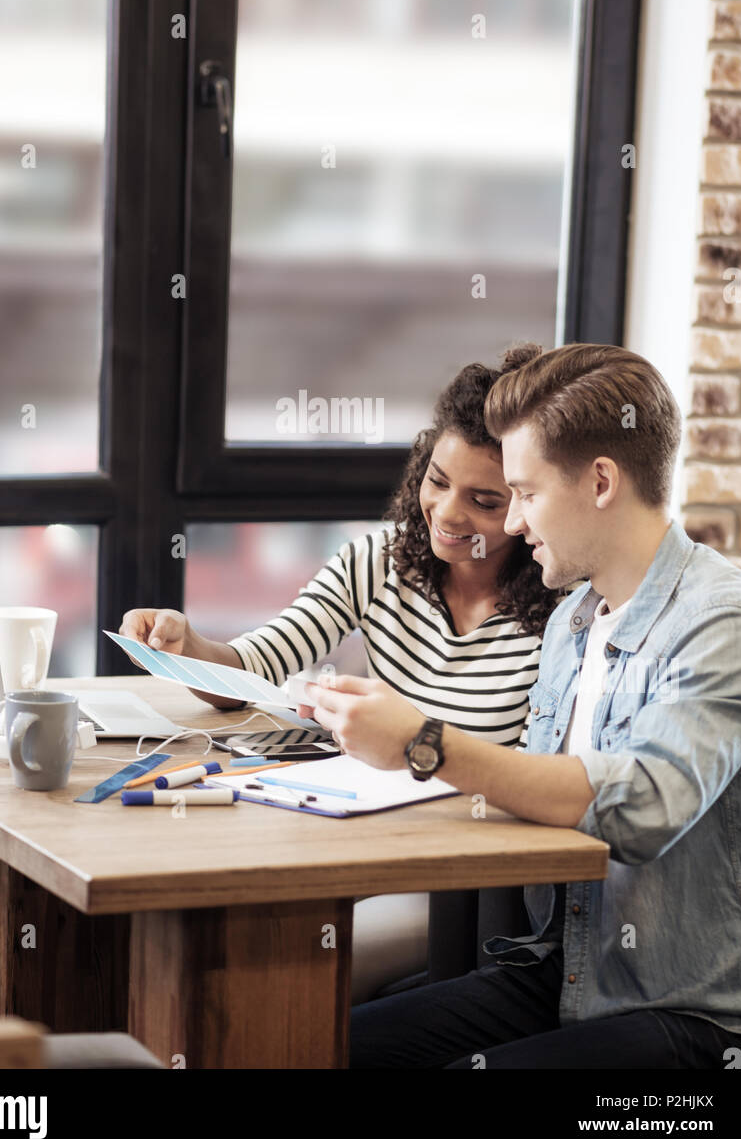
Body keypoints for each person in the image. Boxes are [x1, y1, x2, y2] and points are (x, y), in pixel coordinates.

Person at [296, 342, 741, 1068]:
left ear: (600, 481)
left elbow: (642, 807)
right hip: (566, 973)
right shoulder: (570, 624)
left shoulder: (722, 622)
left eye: (525, 492)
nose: (511, 524)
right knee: (325, 1048)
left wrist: (426, 742)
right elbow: (536, 799)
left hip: (703, 1016)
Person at [119, 347, 560, 997]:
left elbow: (544, 791)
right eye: (436, 480)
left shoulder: (562, 608)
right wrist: (188, 648)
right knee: (203, 938)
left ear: (525, 503)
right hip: (358, 843)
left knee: (269, 971)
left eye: (484, 500)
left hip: (462, 888)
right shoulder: (379, 560)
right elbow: (253, 666)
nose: (445, 512)